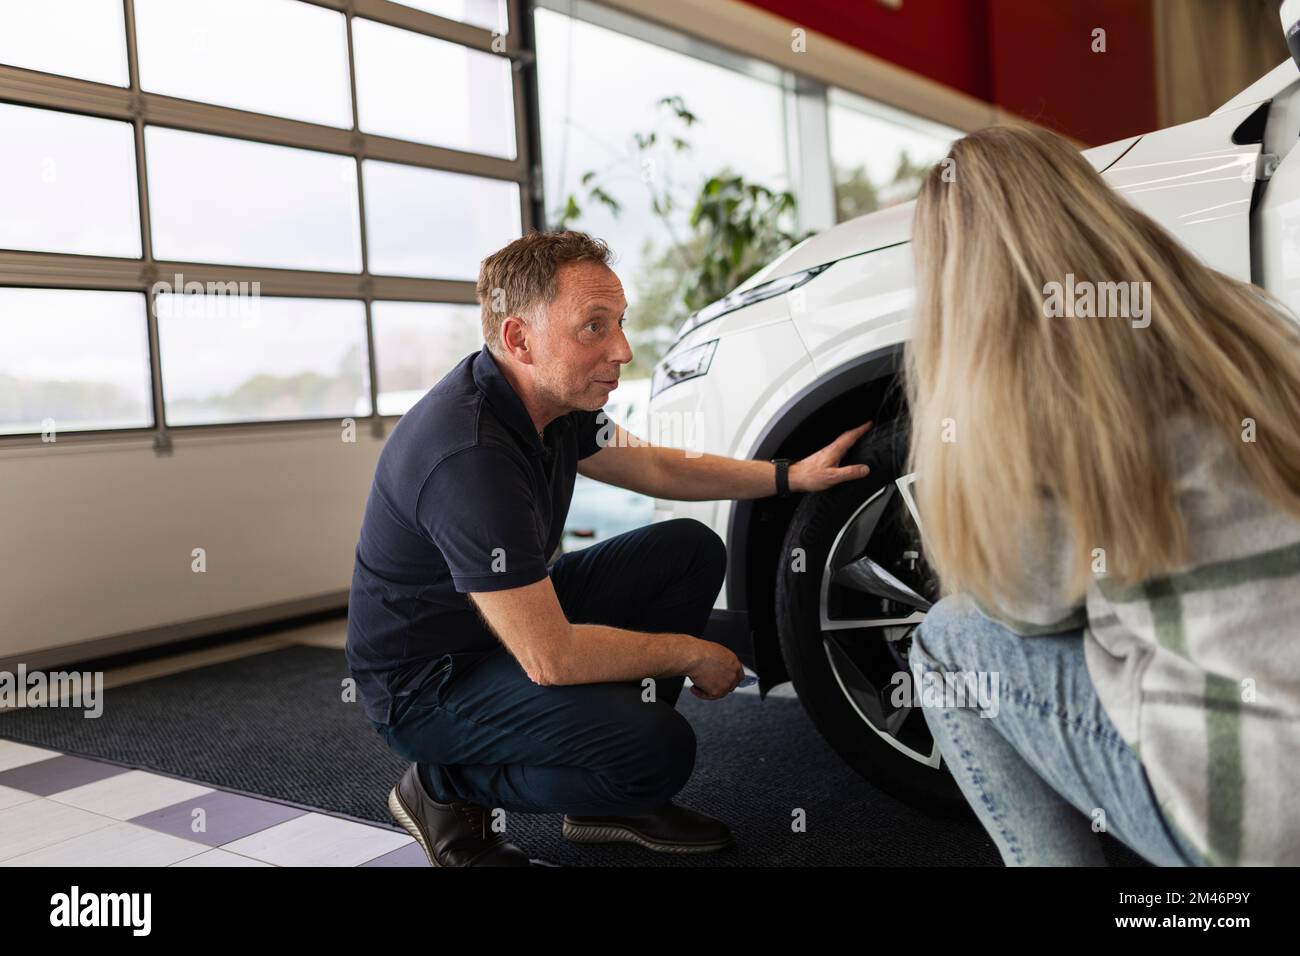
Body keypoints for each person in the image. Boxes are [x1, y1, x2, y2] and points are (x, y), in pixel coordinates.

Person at [346, 229, 872, 866]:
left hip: (506, 624)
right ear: (519, 339)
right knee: (658, 749)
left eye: (619, 322)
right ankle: (441, 786)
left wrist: (790, 476)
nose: (621, 349)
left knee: (687, 549)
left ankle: (606, 798)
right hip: (429, 682)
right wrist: (691, 652)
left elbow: (656, 468)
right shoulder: (470, 456)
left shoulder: (551, 399)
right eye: (594, 327)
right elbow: (552, 657)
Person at [903, 124, 1300, 866]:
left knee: (950, 638)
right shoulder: (1241, 324)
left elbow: (1025, 606)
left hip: (1263, 807)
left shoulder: (1040, 395)